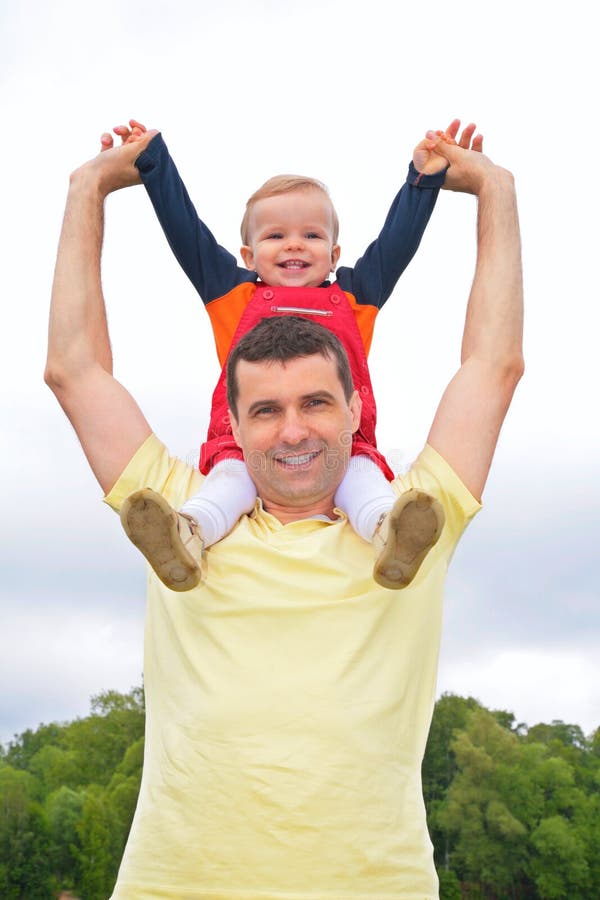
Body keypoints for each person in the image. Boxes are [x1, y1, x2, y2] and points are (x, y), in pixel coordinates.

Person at [45, 123, 523, 898]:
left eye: (317, 403)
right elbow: (74, 369)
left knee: (392, 515)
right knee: (191, 517)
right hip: (177, 886)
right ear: (233, 424)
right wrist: (88, 188)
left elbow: (493, 364)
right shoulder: (171, 505)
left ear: (356, 408)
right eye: (265, 410)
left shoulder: (419, 519)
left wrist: (494, 191)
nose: (293, 430)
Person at [97, 120, 478, 592]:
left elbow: (396, 244)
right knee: (227, 483)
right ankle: (187, 534)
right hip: (244, 445)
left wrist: (423, 180)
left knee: (363, 480)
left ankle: (390, 534)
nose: (295, 244)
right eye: (275, 235)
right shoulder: (231, 295)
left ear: (334, 254)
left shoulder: (356, 296)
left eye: (312, 235)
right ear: (248, 255)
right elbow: (186, 232)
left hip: (340, 444)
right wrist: (153, 161)